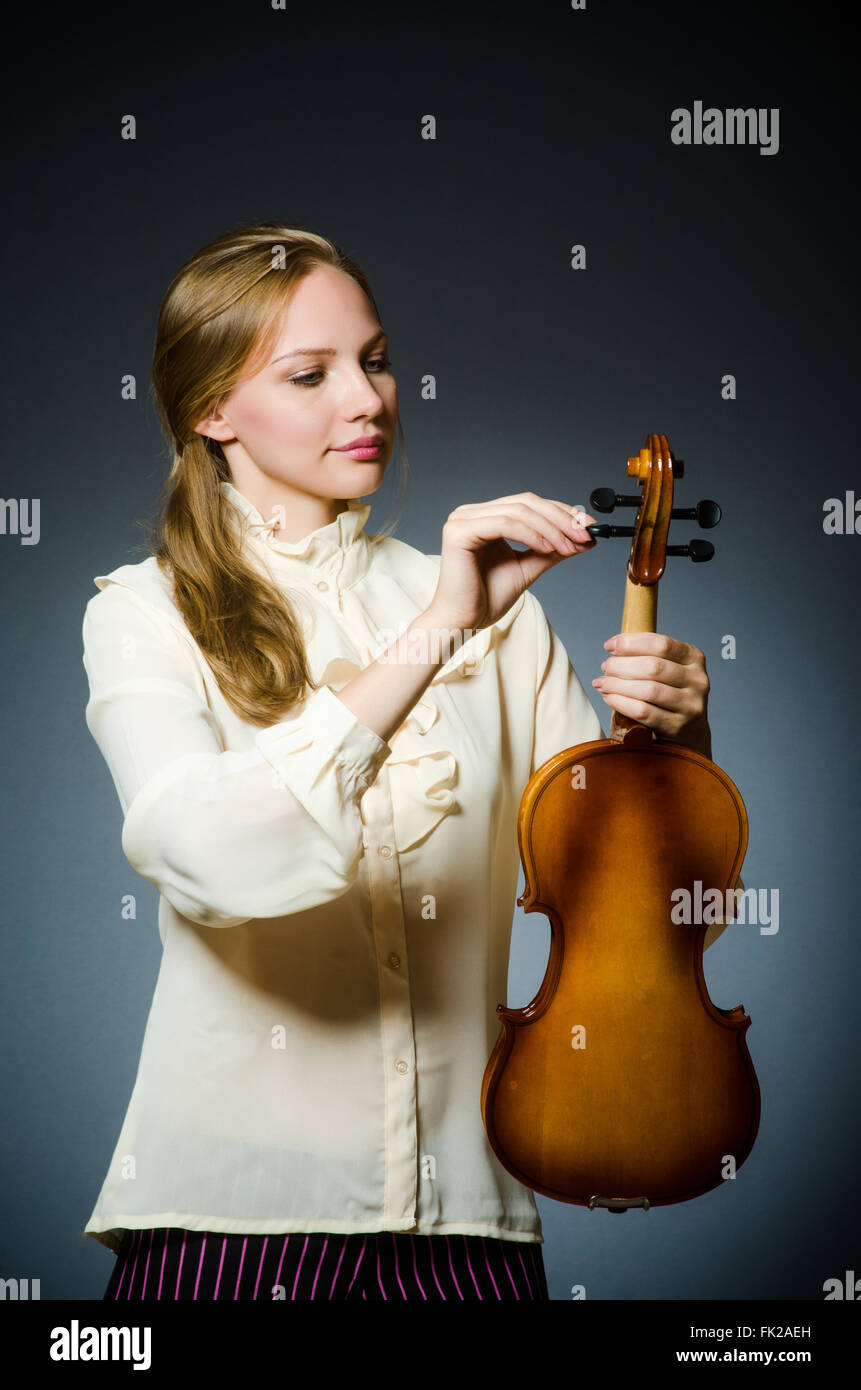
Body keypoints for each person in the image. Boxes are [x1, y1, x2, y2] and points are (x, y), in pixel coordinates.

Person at [83, 221, 721, 1302]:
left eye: (374, 360)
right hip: (229, 1224)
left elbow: (641, 912)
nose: (369, 399)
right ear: (210, 411)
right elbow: (208, 855)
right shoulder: (143, 613)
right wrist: (433, 635)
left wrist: (680, 739)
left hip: (473, 1228)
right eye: (310, 374)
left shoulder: (498, 613)